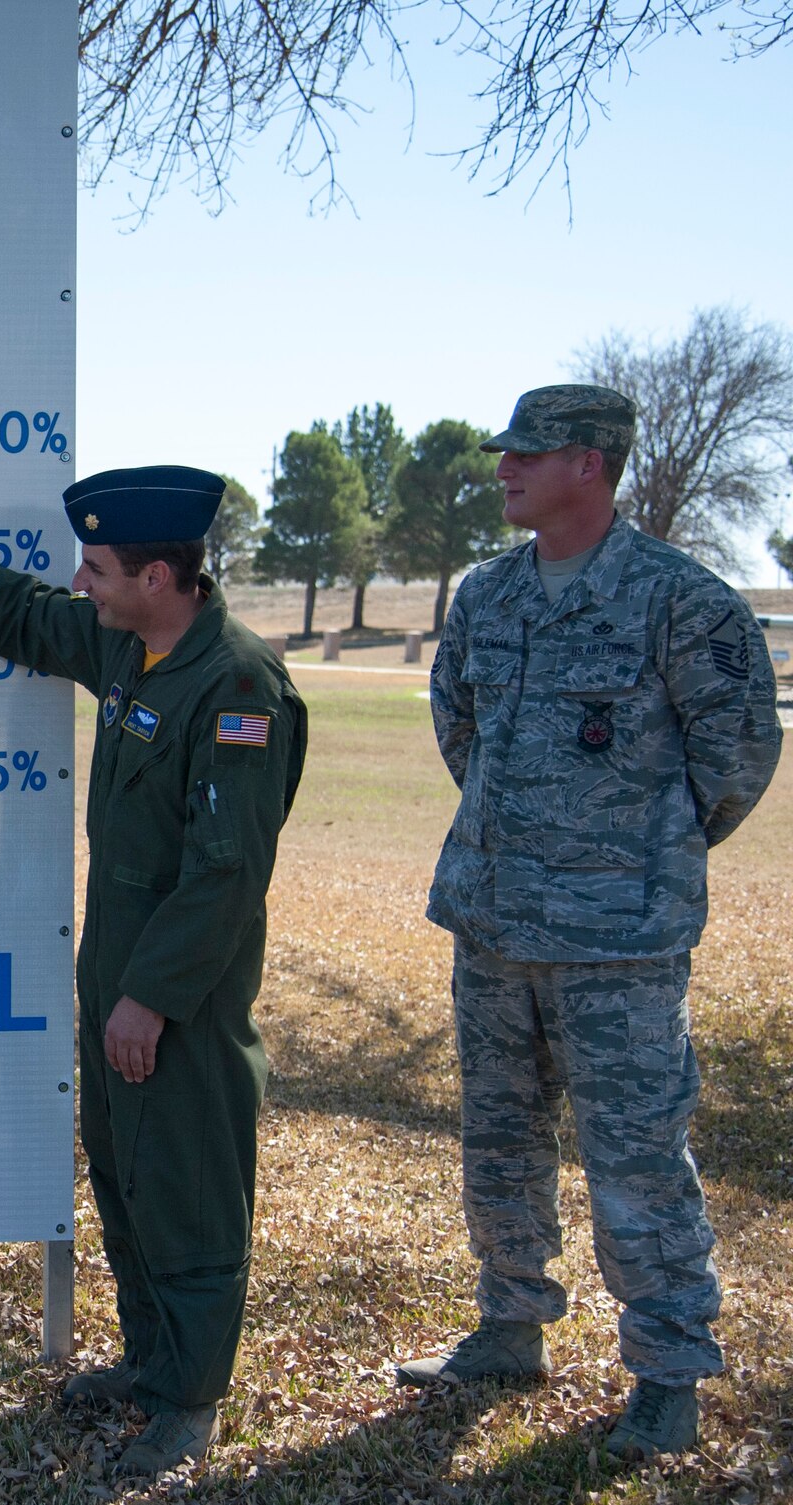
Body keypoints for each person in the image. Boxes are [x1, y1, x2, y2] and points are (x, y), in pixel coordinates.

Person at [0, 466, 307, 1475]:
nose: (80, 579)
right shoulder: (132, 645)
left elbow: (224, 872)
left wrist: (146, 998)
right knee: (124, 1173)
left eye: (96, 567)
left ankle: (188, 1399)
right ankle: (151, 1361)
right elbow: (27, 615)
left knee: (184, 1187)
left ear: (158, 573)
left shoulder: (234, 685)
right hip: (114, 981)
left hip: (174, 998)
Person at [397, 385, 782, 1460]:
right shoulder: (485, 596)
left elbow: (736, 756)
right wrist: (519, 838)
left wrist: (634, 851)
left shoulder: (679, 601)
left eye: (530, 452)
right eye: (504, 450)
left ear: (591, 464)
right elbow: (457, 724)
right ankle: (508, 1324)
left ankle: (666, 1372)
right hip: (493, 919)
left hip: (618, 937)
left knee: (635, 1157)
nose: (503, 468)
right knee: (497, 1141)